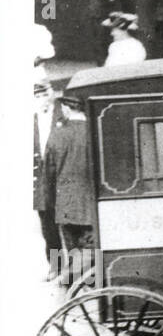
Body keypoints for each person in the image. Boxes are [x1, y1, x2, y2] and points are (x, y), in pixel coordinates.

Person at [44, 93, 95, 286]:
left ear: (66, 109)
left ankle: (72, 291)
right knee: (92, 253)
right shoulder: (94, 130)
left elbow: (48, 173)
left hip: (65, 205)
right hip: (91, 205)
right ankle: (93, 293)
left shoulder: (57, 135)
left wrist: (51, 204)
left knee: (73, 253)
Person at [34, 78, 59, 270]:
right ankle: (56, 266)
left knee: (74, 226)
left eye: (45, 93)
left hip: (62, 177)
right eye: (37, 95)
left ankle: (86, 274)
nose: (42, 98)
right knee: (48, 226)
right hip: (41, 181)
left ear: (52, 92)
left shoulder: (63, 114)